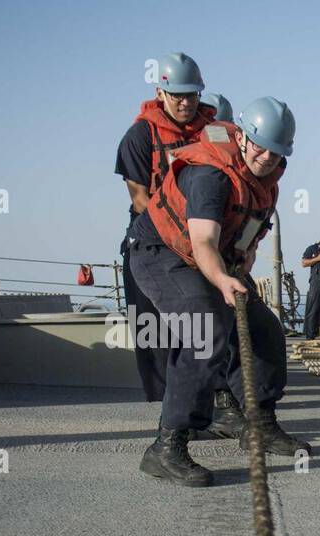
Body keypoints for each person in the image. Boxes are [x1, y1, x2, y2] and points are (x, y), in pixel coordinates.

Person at [128, 97, 309, 488]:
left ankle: (257, 423)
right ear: (242, 138)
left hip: (212, 257)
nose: (265, 158)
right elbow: (204, 242)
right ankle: (166, 446)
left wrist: (241, 264)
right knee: (204, 327)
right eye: (258, 146)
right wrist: (224, 280)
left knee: (264, 329)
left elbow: (248, 234)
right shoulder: (211, 176)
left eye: (275, 153)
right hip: (162, 253)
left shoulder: (267, 178)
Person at [114, 54, 244, 438]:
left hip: (205, 244)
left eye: (191, 94)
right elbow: (140, 198)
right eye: (176, 95)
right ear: (160, 92)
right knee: (159, 336)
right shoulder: (139, 137)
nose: (185, 102)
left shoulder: (216, 130)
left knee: (212, 326)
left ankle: (216, 406)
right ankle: (177, 418)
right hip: (155, 243)